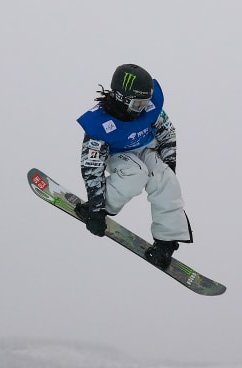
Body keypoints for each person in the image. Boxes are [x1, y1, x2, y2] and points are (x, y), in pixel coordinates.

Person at [75, 63, 192, 269]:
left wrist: (169, 162)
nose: (142, 109)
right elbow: (92, 165)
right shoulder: (100, 125)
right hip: (118, 154)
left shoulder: (151, 111)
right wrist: (96, 207)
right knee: (135, 174)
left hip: (147, 148)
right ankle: (105, 206)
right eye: (137, 104)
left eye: (145, 103)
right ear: (122, 99)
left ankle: (166, 241)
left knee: (165, 179)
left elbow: (167, 132)